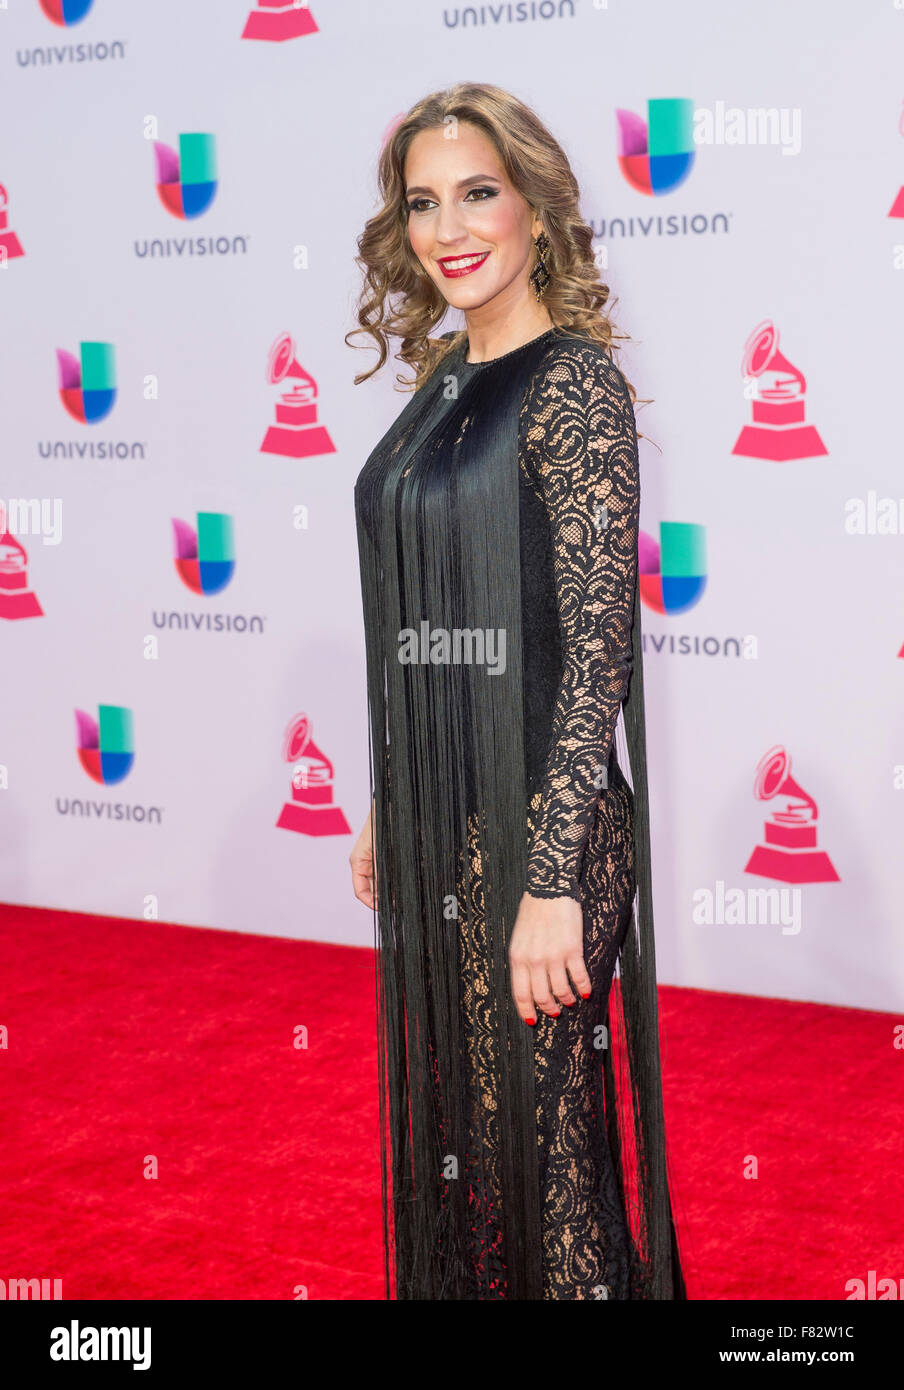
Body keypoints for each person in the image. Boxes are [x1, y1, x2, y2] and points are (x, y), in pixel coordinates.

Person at [347, 82, 686, 1301]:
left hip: (545, 836)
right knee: (478, 1155)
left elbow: (597, 652)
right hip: (448, 825)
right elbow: (416, 625)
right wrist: (394, 801)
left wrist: (549, 882)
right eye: (424, 200)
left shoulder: (574, 386)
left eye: (478, 192)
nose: (450, 226)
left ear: (537, 209)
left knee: (549, 1164)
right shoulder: (441, 384)